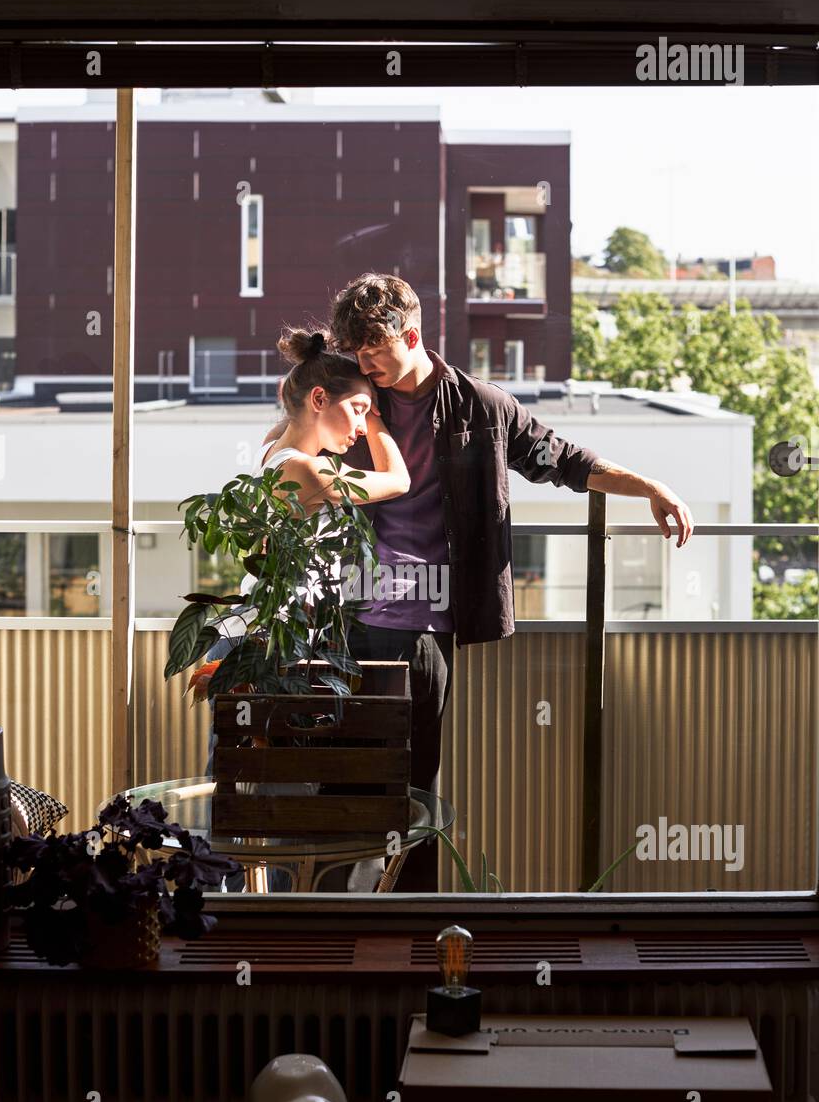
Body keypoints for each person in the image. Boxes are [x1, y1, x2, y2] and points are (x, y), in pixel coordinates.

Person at [265, 273, 695, 893]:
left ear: (411, 336)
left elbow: (566, 461)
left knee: (414, 788)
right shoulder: (357, 392)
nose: (365, 365)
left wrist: (652, 487)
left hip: (426, 628)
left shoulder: (479, 406)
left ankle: (410, 929)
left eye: (376, 352)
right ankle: (323, 920)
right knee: (338, 780)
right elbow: (303, 431)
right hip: (344, 620)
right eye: (356, 353)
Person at [204, 324, 411, 890]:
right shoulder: (303, 468)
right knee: (273, 780)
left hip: (260, 629)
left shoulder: (279, 446)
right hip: (274, 640)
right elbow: (397, 480)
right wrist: (380, 422)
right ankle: (266, 910)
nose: (361, 424)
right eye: (357, 409)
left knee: (243, 774)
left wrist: (346, 402)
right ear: (320, 399)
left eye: (368, 413)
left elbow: (293, 416)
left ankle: (240, 902)